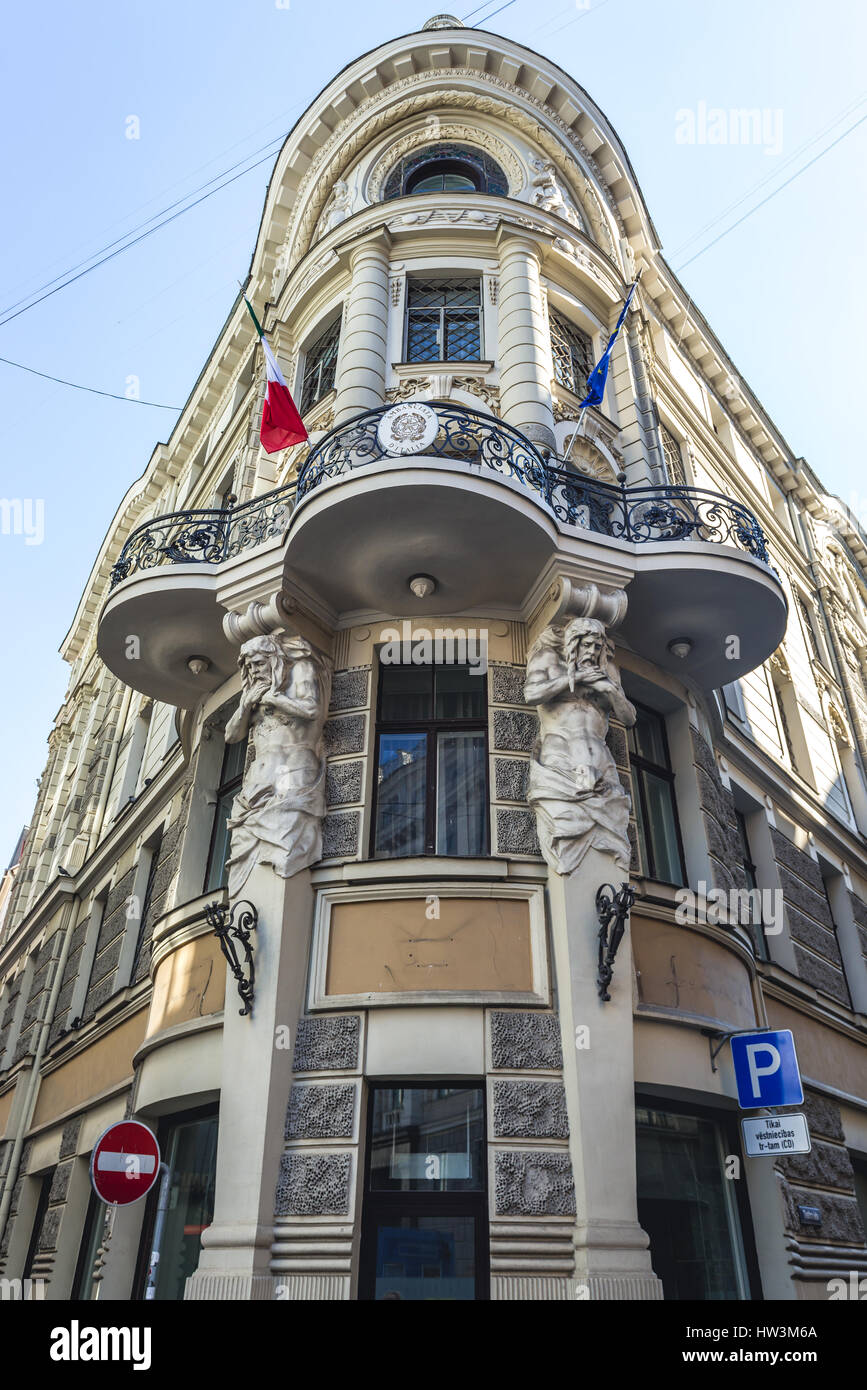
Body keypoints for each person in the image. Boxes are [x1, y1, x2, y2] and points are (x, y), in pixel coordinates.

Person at [523, 617, 635, 874]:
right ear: (573, 643)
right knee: (565, 837)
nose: (593, 652)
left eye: (597, 647)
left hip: (602, 766)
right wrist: (575, 678)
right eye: (587, 645)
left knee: (614, 848)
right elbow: (531, 694)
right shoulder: (549, 660)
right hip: (561, 763)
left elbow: (629, 717)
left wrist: (610, 690)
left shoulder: (608, 671)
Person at [224, 633, 331, 896]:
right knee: (245, 864)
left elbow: (311, 710)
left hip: (293, 776)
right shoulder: (251, 691)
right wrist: (246, 705)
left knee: (286, 856)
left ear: (274, 658)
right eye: (249, 666)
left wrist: (273, 698)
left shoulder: (301, 670)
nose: (254, 670)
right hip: (253, 790)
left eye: (259, 664)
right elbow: (231, 735)